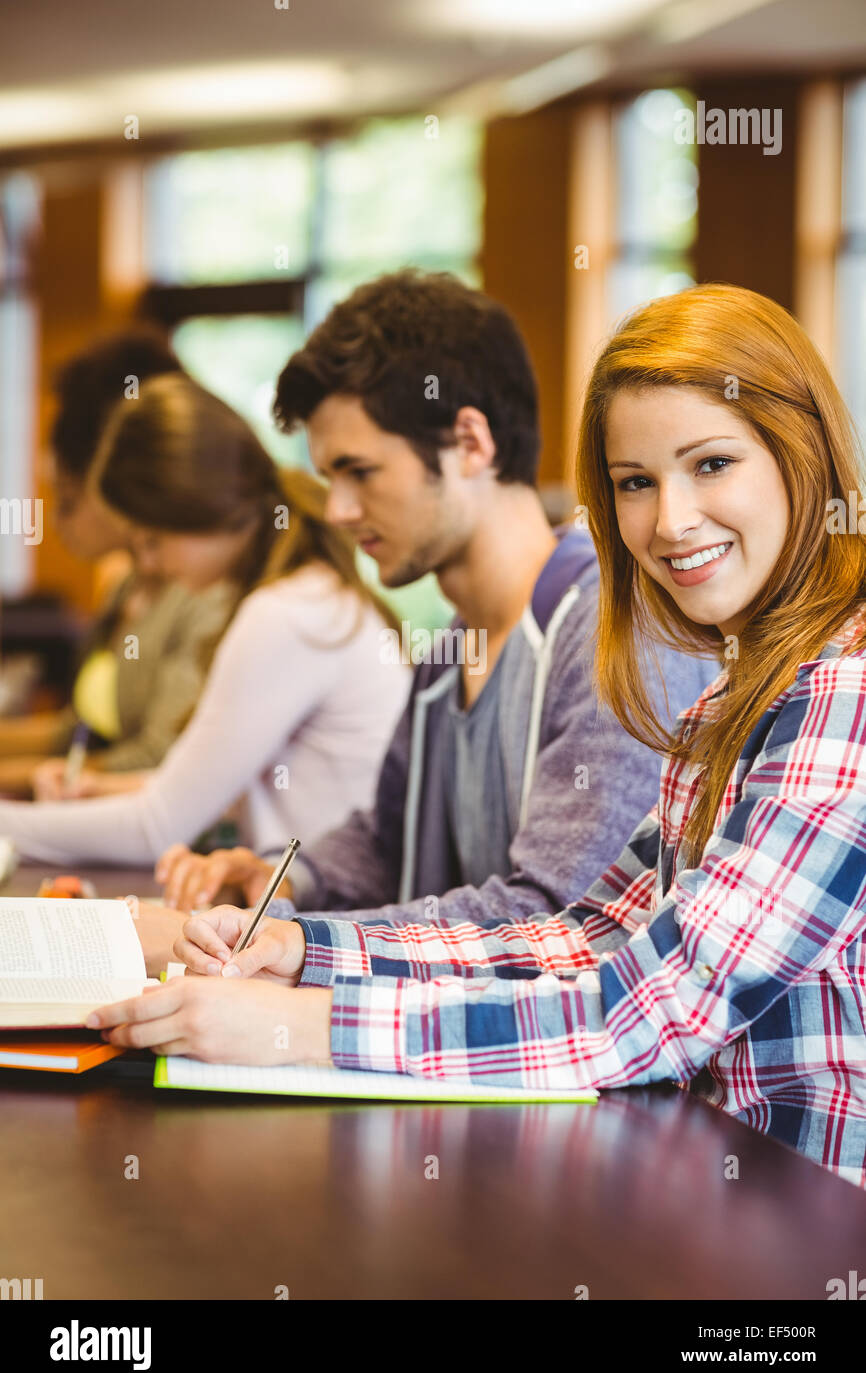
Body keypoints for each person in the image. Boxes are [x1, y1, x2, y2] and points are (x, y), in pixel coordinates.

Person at [95, 283, 866, 1188]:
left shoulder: (841, 694)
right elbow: (586, 936)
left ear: (802, 454)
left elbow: (650, 1008)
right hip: (696, 1193)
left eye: (711, 465)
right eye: (635, 484)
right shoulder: (732, 704)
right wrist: (305, 952)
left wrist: (304, 1026)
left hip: (802, 1238)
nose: (670, 521)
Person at [150, 269, 712, 926]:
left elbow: (560, 919)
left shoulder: (615, 631)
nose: (337, 508)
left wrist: (279, 938)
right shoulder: (451, 648)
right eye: (329, 476)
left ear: (469, 444)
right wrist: (280, 878)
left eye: (359, 471)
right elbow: (389, 843)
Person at [0, 373, 409, 862]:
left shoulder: (288, 614)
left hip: (326, 915)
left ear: (202, 511)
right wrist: (106, 788)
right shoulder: (304, 594)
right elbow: (208, 789)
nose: (148, 564)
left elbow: (157, 828)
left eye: (152, 540)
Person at [0, 328, 232, 797]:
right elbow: (79, 732)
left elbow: (158, 761)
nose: (57, 521)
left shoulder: (206, 591)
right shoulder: (126, 588)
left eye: (66, 498)